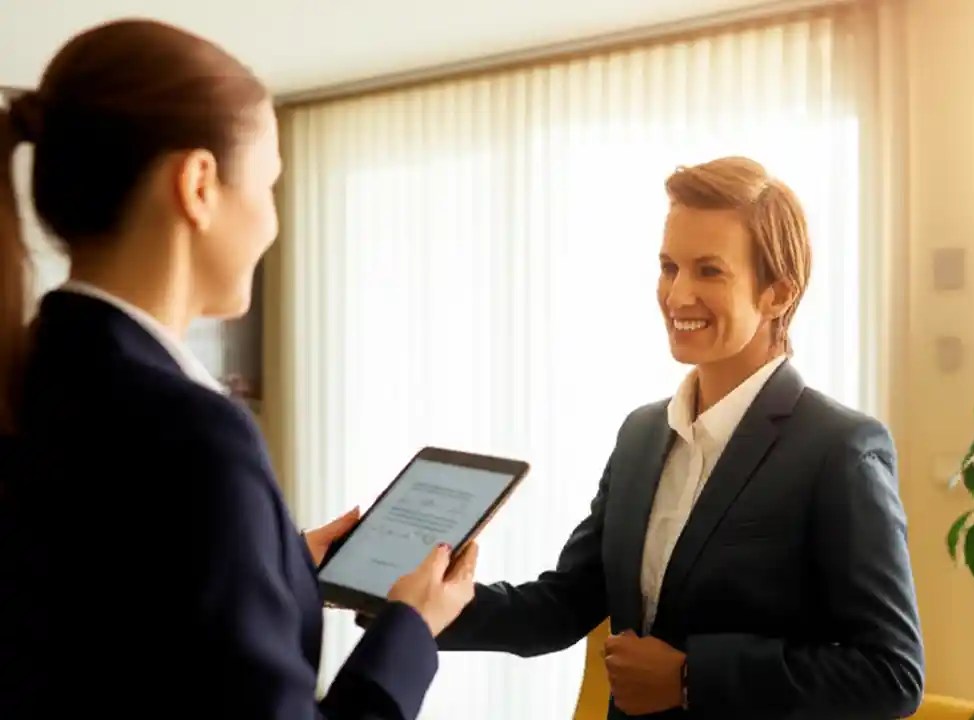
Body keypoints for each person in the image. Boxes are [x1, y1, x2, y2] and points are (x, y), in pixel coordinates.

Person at [0, 18, 477, 719]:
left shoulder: (39, 374)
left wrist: (273, 564)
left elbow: (112, 623)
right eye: (270, 185)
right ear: (198, 184)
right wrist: (409, 631)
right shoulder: (192, 435)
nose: (274, 222)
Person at [432, 156, 926, 718]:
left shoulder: (839, 449)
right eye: (669, 267)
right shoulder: (642, 434)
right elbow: (564, 604)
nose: (677, 295)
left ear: (779, 294)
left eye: (709, 271)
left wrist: (693, 678)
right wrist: (419, 608)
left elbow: (891, 673)